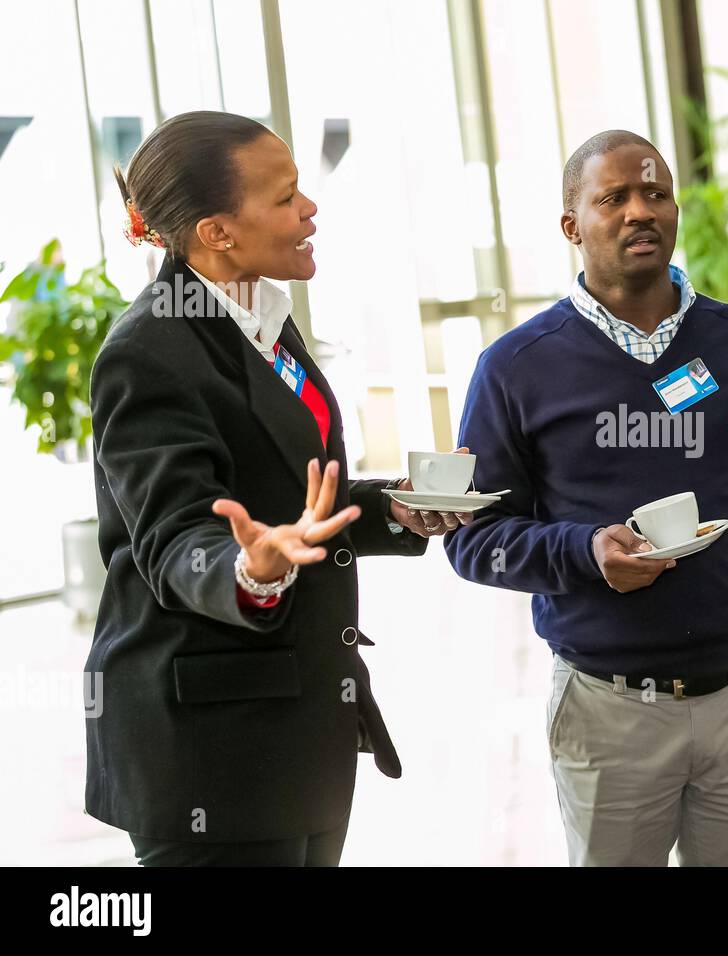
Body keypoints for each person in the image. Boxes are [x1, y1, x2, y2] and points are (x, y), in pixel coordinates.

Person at [443, 130, 728, 866]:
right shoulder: (515, 368)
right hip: (609, 709)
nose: (638, 212)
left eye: (654, 193)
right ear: (571, 227)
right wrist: (586, 552)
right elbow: (473, 539)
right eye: (612, 198)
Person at [87, 110, 465, 866]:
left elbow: (291, 500)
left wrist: (391, 508)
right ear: (217, 232)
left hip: (297, 729)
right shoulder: (149, 350)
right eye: (286, 197)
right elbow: (175, 540)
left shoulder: (256, 314)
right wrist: (250, 569)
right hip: (210, 750)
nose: (310, 209)